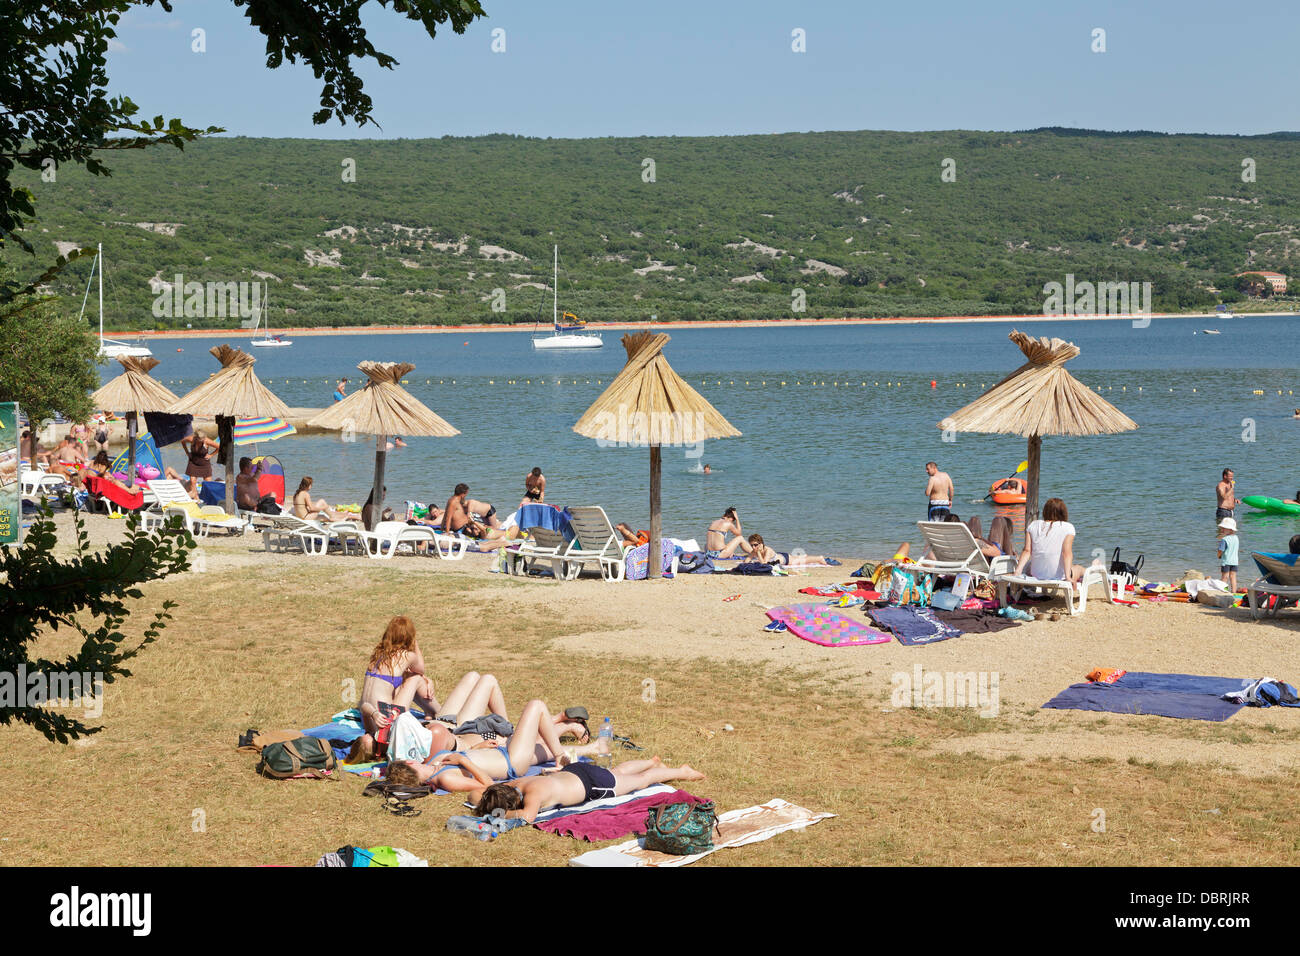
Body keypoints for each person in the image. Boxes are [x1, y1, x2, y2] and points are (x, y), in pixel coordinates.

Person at [384, 699, 599, 792]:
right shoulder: (445, 779)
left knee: (544, 745)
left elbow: (469, 761)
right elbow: (487, 785)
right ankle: (562, 756)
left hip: (500, 752)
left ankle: (592, 747)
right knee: (536, 707)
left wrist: (477, 750)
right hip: (511, 761)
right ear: (410, 763)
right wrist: (463, 761)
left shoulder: (433, 764)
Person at [470, 756, 706, 823]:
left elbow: (527, 816)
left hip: (593, 785)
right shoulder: (517, 785)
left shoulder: (534, 795)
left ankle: (680, 771)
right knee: (619, 772)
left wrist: (496, 814)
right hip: (577, 771)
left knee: (641, 781)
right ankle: (651, 761)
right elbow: (479, 793)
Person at [1013, 497, 1083, 584]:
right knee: (1079, 569)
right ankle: (1094, 569)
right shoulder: (1068, 527)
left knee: (1030, 565)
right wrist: (1068, 577)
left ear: (1045, 511)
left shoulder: (1033, 525)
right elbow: (1066, 554)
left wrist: (1017, 571)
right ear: (1063, 512)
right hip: (1058, 577)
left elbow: (1027, 551)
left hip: (1036, 575)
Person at [445, 484, 513, 542]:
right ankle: (500, 524)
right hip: (482, 516)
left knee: (494, 528)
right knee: (489, 527)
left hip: (490, 512)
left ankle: (500, 524)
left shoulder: (470, 503)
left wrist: (471, 522)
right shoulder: (462, 507)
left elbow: (469, 514)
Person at [746, 533, 836, 566]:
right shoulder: (755, 550)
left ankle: (819, 558)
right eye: (751, 545)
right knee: (799, 558)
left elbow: (764, 563)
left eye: (755, 545)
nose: (754, 547)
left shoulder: (767, 550)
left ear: (761, 543)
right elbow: (746, 560)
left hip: (786, 559)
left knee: (802, 561)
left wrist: (757, 554)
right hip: (779, 556)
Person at [1217, 517, 1240, 594]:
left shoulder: (1225, 539)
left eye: (1224, 528)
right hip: (1235, 561)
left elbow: (1221, 550)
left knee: (1225, 577)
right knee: (1233, 577)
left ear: (1230, 529)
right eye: (1222, 528)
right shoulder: (1236, 538)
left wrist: (1219, 555)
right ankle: (1234, 592)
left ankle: (1223, 591)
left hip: (1226, 561)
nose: (1222, 529)